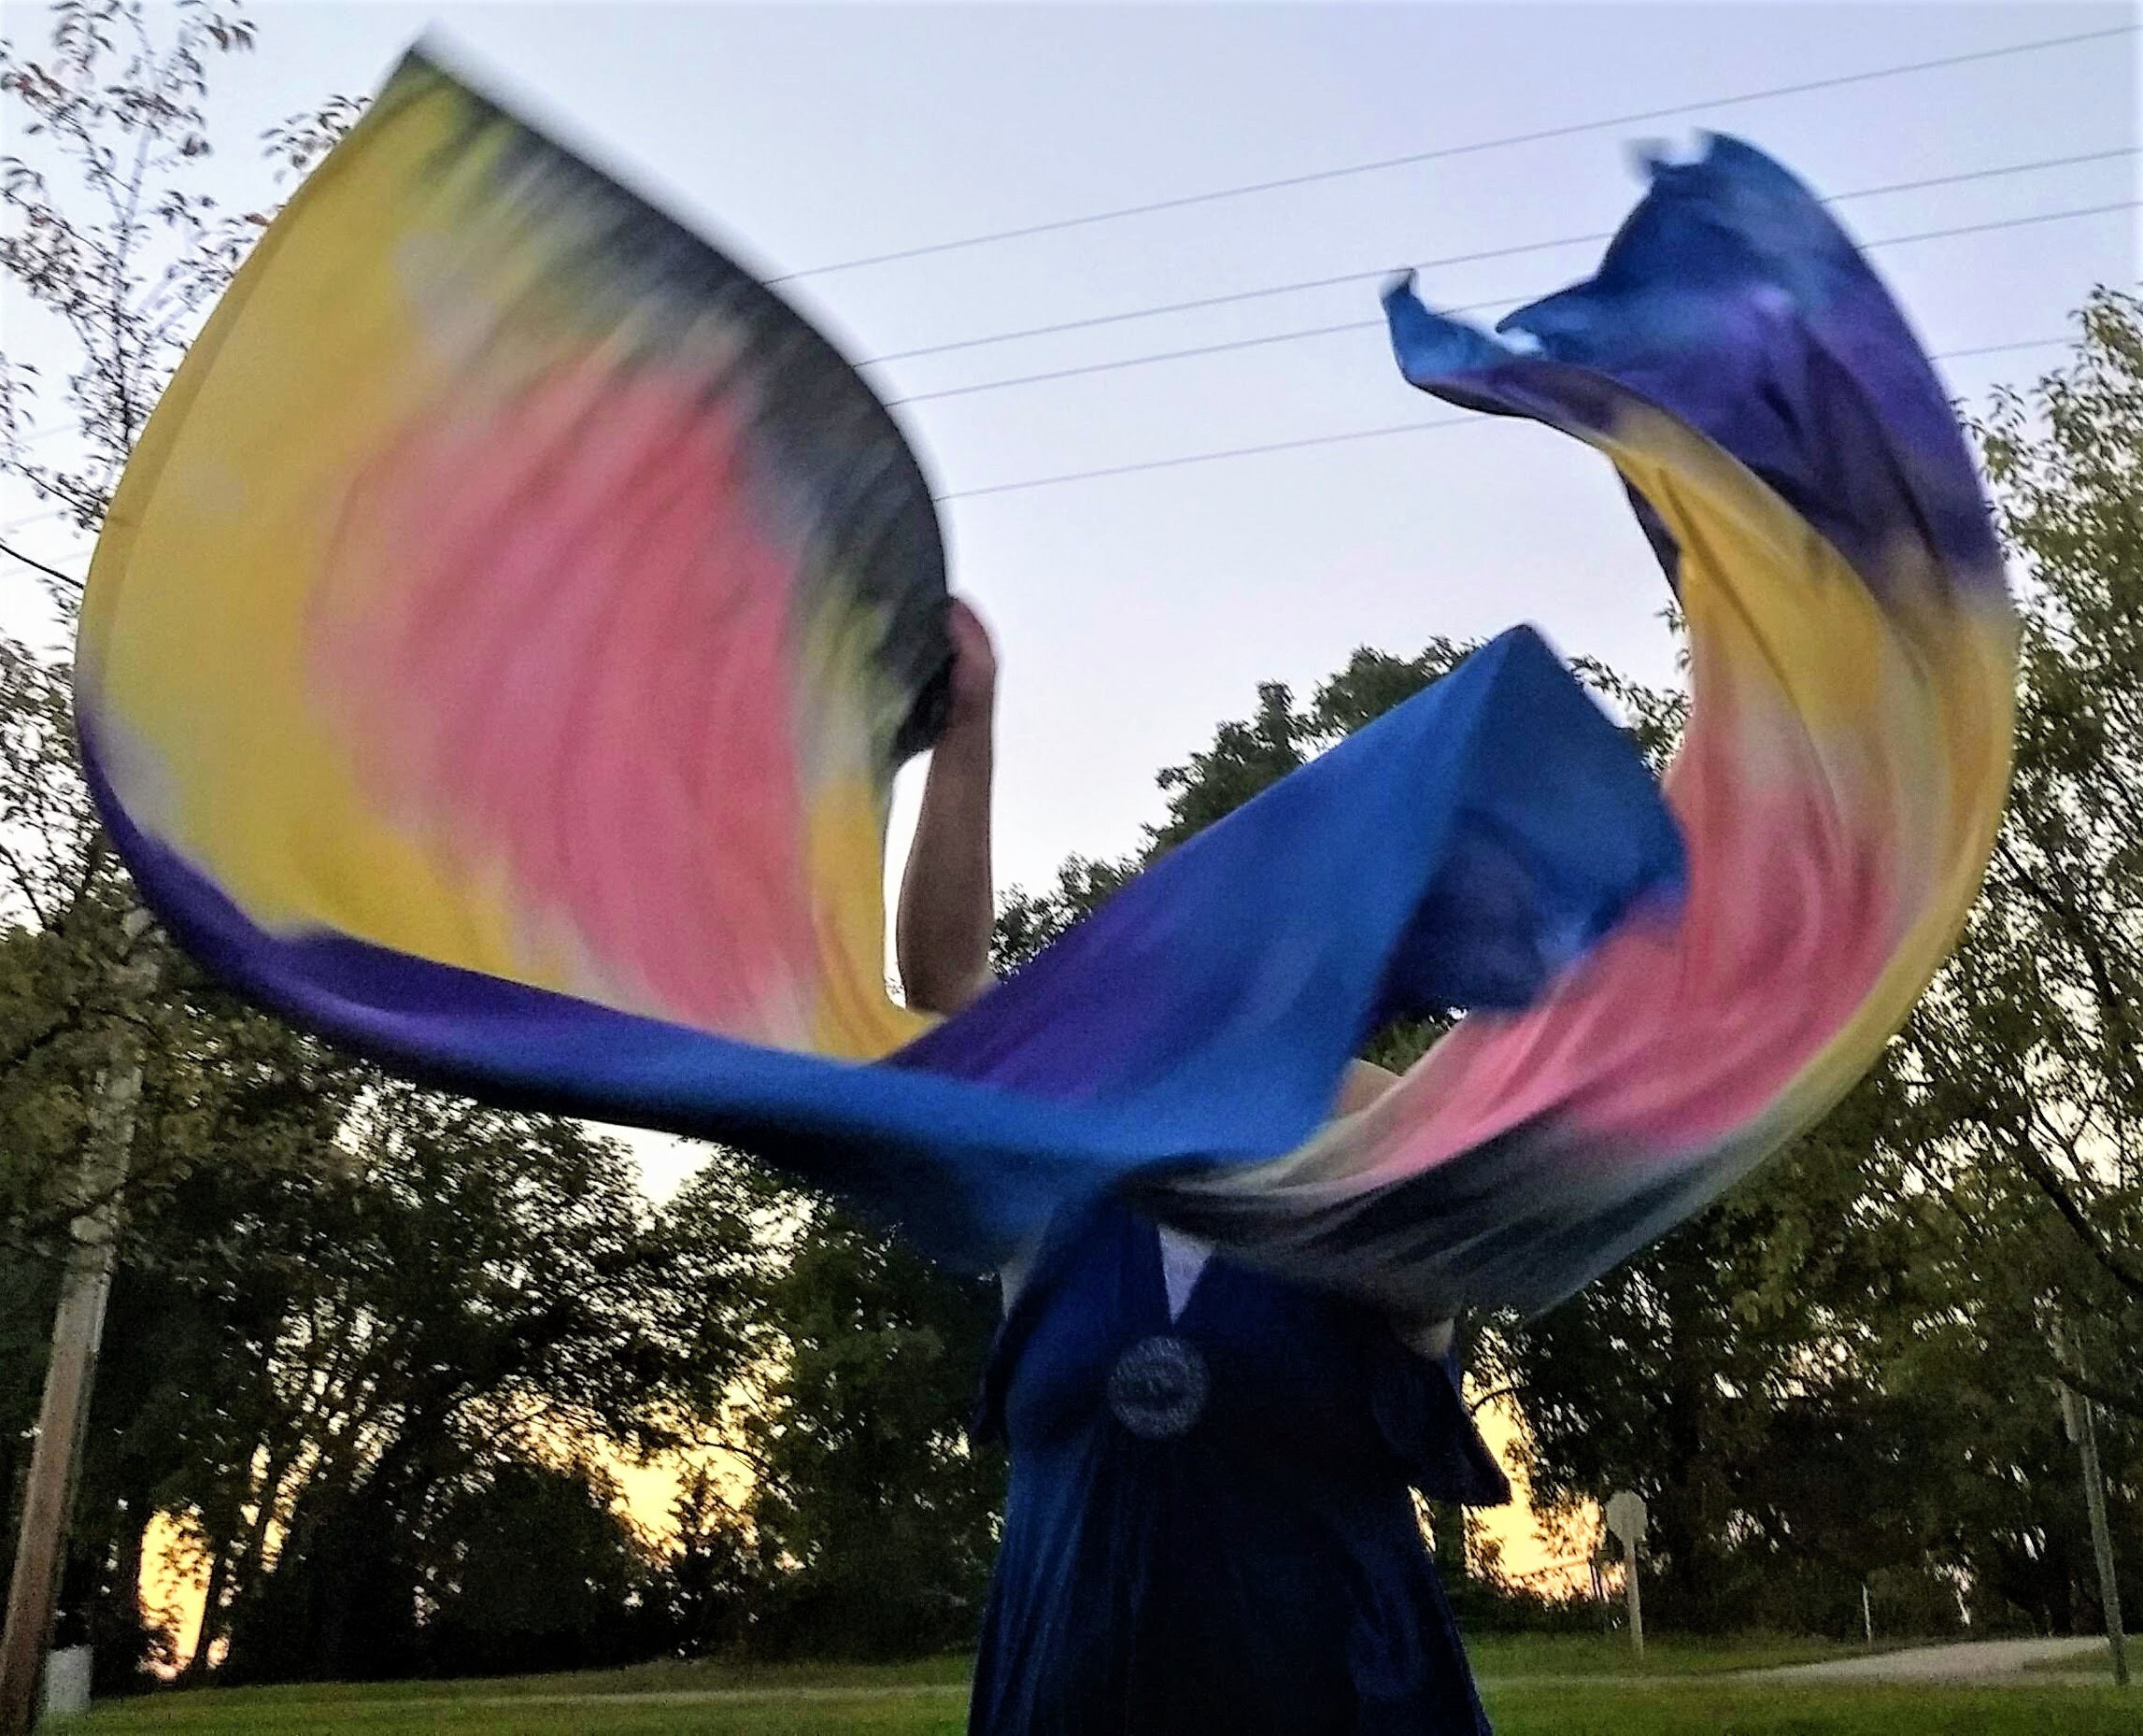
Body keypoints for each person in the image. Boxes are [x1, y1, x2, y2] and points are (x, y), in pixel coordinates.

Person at [898, 599, 1511, 1736]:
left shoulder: (1376, 1162)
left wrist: (1260, 1055)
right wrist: (964, 725)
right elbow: (945, 1006)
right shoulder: (1061, 1170)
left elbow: (1466, 1161)